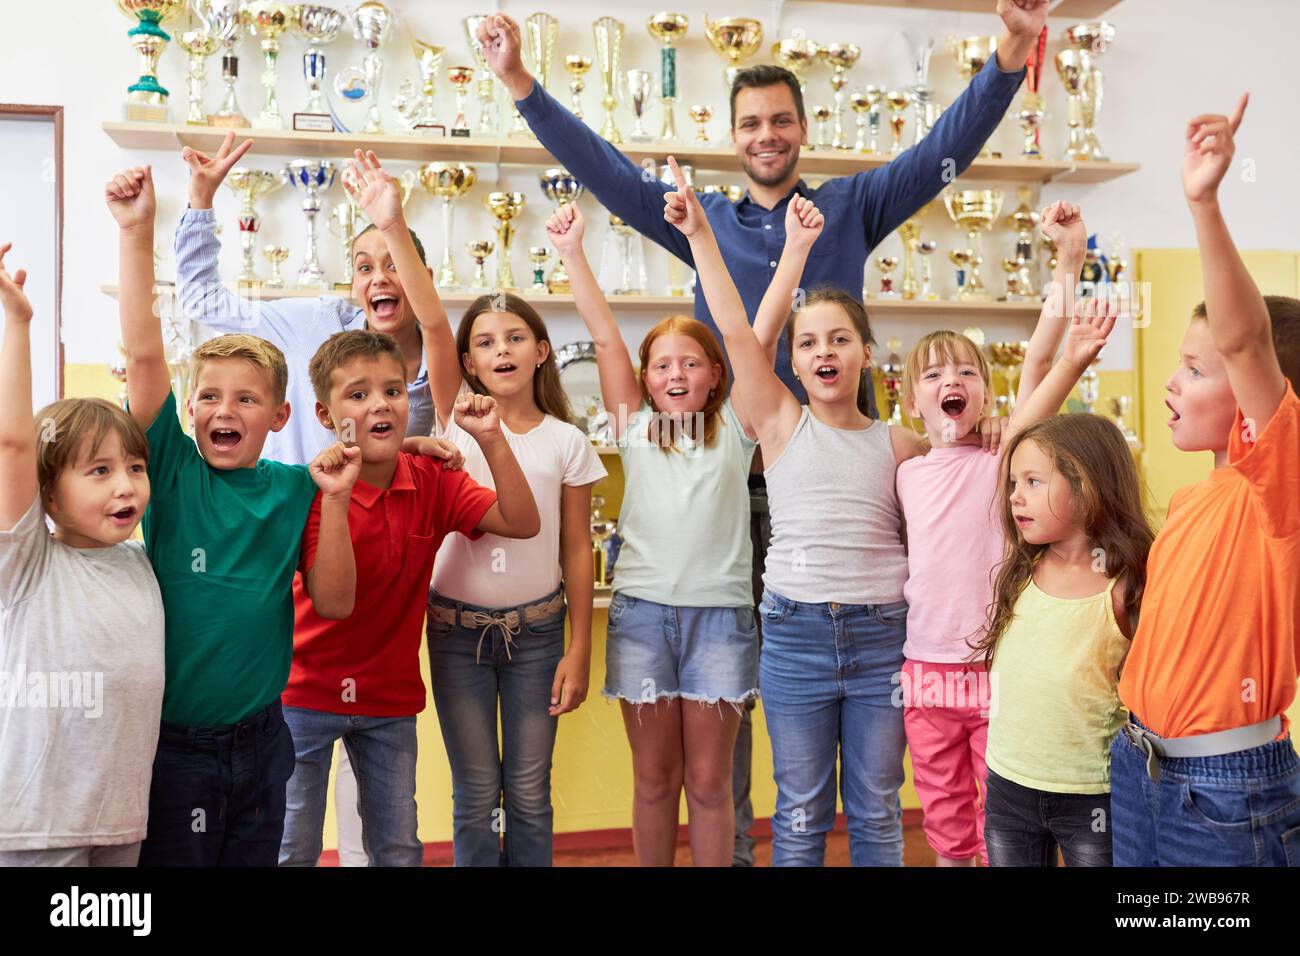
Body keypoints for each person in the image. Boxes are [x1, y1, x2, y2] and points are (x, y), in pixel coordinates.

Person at [107, 164, 360, 866]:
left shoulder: (294, 487)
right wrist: (135, 233)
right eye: (210, 397)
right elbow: (144, 349)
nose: (225, 409)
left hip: (264, 739)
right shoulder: (173, 470)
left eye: (247, 399)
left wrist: (334, 499)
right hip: (176, 746)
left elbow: (336, 601)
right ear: (188, 412)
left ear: (279, 416)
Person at [1110, 94, 1300, 866]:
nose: (1173, 384)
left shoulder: (1278, 486)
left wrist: (1204, 202)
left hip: (1226, 789)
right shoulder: (1197, 497)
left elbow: (1246, 339)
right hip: (1140, 766)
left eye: (1196, 370)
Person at [0, 244, 165, 867]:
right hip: (38, 824)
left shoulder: (138, 562)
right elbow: (13, 445)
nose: (126, 485)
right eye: (99, 471)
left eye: (134, 468)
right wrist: (18, 323)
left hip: (121, 817)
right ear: (47, 492)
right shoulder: (27, 564)